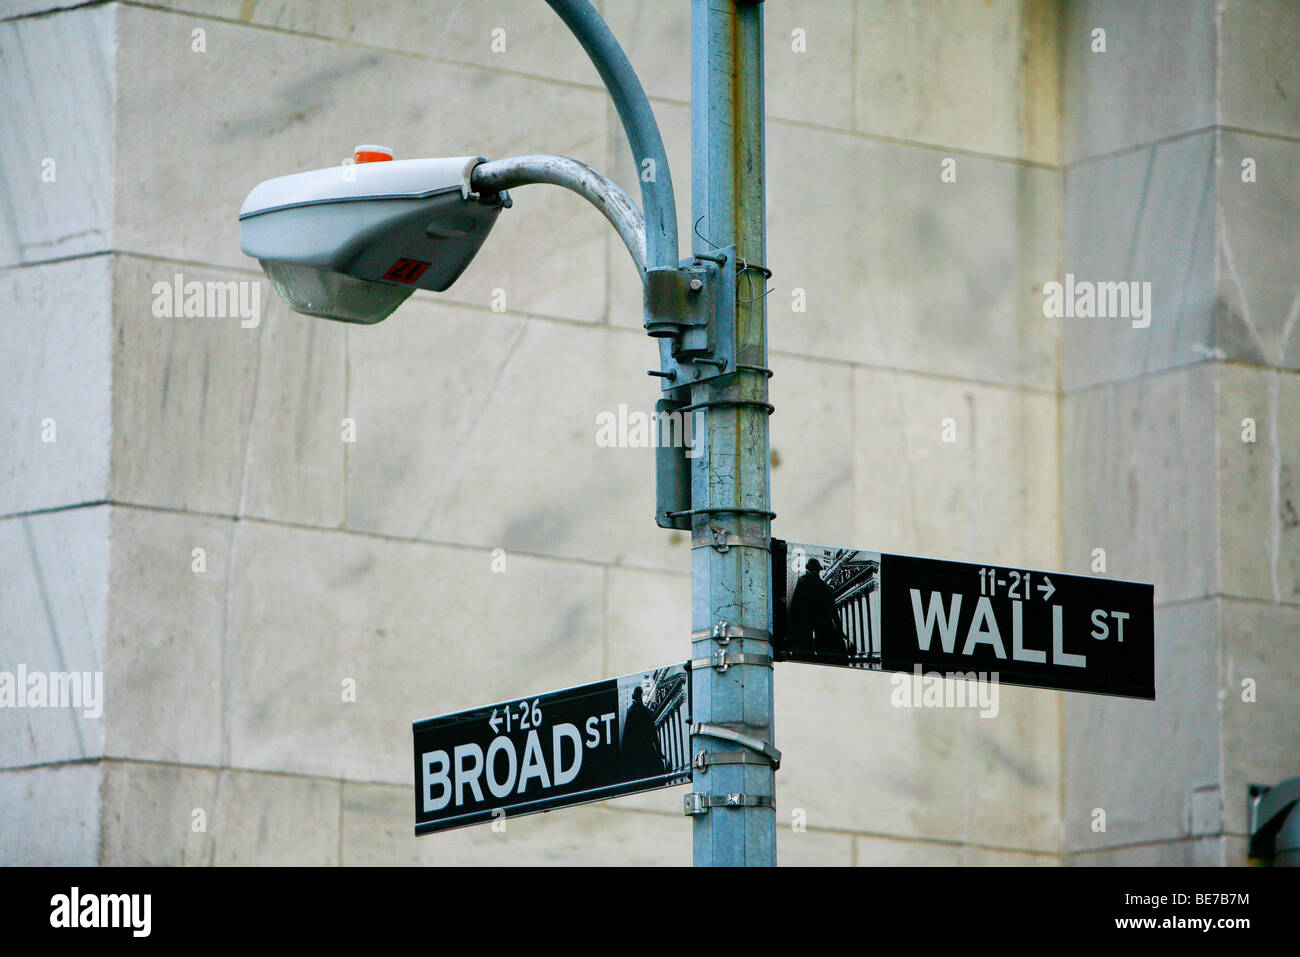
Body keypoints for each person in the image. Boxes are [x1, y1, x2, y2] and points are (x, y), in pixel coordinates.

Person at [786, 558, 850, 663]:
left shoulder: (805, 582)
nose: (816, 572)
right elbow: (833, 610)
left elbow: (794, 608)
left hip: (811, 629)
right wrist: (839, 629)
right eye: (815, 569)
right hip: (815, 629)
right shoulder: (822, 586)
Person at [621, 685, 666, 779]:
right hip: (647, 749)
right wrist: (659, 751)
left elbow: (627, 735)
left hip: (637, 752)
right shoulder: (647, 712)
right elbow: (654, 735)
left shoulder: (631, 712)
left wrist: (624, 754)